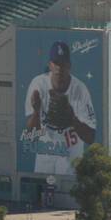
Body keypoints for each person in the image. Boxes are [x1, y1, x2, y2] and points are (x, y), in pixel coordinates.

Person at [22, 40, 96, 174]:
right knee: (41, 193)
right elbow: (30, 136)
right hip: (45, 156)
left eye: (63, 64)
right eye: (56, 63)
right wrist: (36, 113)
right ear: (50, 65)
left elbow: (91, 137)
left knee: (68, 193)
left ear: (69, 66)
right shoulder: (38, 85)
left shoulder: (80, 90)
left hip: (71, 159)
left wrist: (72, 119)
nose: (59, 68)